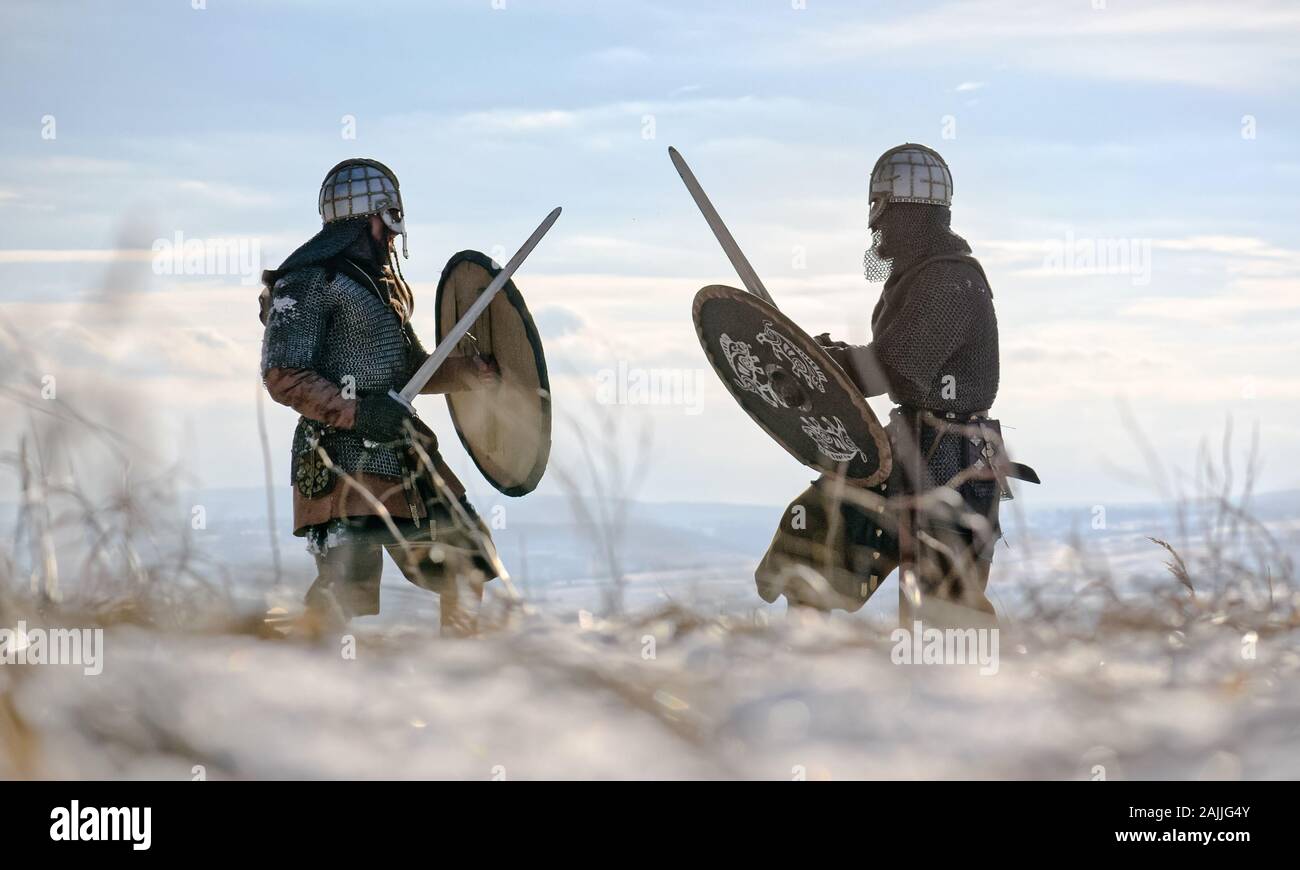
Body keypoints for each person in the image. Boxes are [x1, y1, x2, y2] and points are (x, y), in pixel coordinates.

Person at [756, 144, 1014, 628]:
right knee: (815, 538)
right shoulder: (919, 277)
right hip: (904, 451)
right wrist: (826, 359)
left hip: (951, 465)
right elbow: (895, 358)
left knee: (943, 616)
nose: (875, 227)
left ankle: (972, 698)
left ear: (898, 212)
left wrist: (822, 365)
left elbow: (898, 367)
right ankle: (805, 656)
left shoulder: (950, 281)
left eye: (881, 213)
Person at [259, 158, 499, 635]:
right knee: (345, 586)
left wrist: (471, 373)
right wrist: (359, 412)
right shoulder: (309, 281)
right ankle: (285, 673)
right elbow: (282, 374)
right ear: (364, 220)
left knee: (466, 558)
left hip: (402, 453)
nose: (394, 234)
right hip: (338, 458)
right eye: (387, 220)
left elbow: (409, 372)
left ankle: (461, 677)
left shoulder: (382, 289)